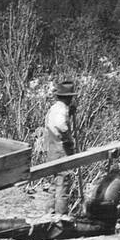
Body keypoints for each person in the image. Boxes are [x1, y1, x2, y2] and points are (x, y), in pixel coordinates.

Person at [39, 77, 78, 216]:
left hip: (52, 150)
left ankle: (49, 212)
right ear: (67, 98)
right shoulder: (61, 110)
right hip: (61, 149)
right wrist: (69, 139)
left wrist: (70, 112)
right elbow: (61, 125)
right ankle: (61, 215)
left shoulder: (55, 108)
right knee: (63, 183)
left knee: (54, 183)